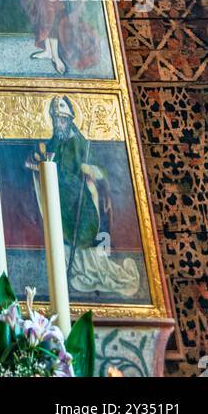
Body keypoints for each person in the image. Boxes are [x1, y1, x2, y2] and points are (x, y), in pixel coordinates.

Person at [26, 95, 140, 299]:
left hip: (82, 198)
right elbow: (47, 160)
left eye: (61, 120)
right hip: (61, 198)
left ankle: (87, 267)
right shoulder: (54, 142)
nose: (58, 124)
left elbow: (95, 171)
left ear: (69, 120)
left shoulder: (80, 143)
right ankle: (69, 267)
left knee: (82, 230)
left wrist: (91, 171)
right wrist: (37, 162)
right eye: (55, 120)